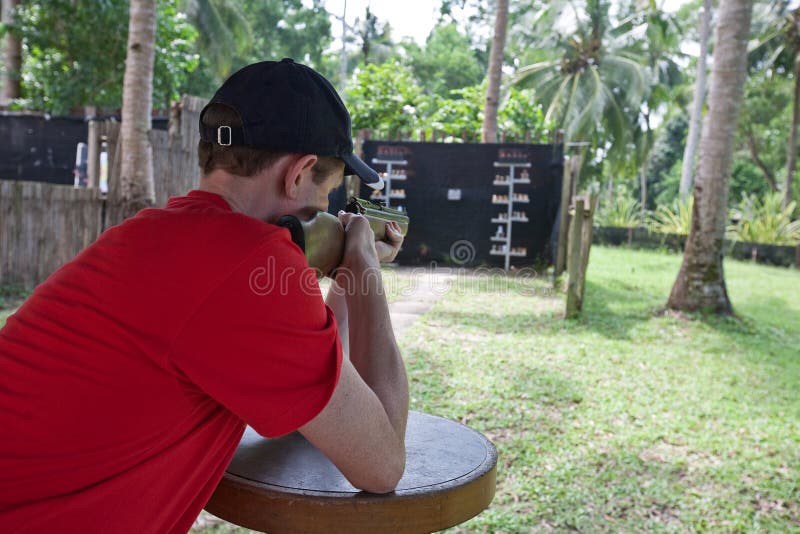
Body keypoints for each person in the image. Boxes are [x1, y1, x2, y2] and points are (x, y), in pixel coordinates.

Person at [0, 58, 409, 532]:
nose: (325, 210)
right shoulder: (251, 262)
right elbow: (383, 464)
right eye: (326, 194)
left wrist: (345, 271)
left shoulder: (151, 233)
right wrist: (365, 271)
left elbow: (320, 401)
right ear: (299, 173)